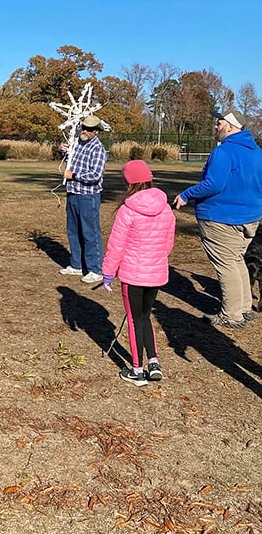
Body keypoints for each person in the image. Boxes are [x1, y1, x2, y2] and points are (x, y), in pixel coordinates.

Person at [174, 108, 262, 329]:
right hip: (250, 217)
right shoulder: (257, 152)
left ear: (230, 127)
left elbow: (213, 184)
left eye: (218, 123)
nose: (215, 126)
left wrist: (186, 195)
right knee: (236, 260)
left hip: (222, 218)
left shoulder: (223, 152)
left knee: (226, 264)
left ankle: (231, 315)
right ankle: (243, 308)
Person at [101, 160, 176, 387]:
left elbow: (116, 246)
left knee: (134, 320)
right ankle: (154, 362)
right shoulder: (165, 207)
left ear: (127, 182)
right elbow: (168, 244)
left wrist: (108, 272)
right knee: (145, 316)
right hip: (155, 274)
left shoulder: (127, 210)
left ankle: (137, 369)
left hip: (133, 275)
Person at [60, 114, 107, 284]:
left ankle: (95, 269)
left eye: (89, 129)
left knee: (90, 232)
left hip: (88, 196)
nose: (85, 131)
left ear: (96, 131)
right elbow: (70, 162)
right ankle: (76, 265)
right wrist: (64, 152)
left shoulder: (98, 149)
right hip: (72, 193)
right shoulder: (77, 144)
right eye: (83, 127)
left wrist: (73, 175)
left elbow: (95, 175)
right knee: (73, 230)